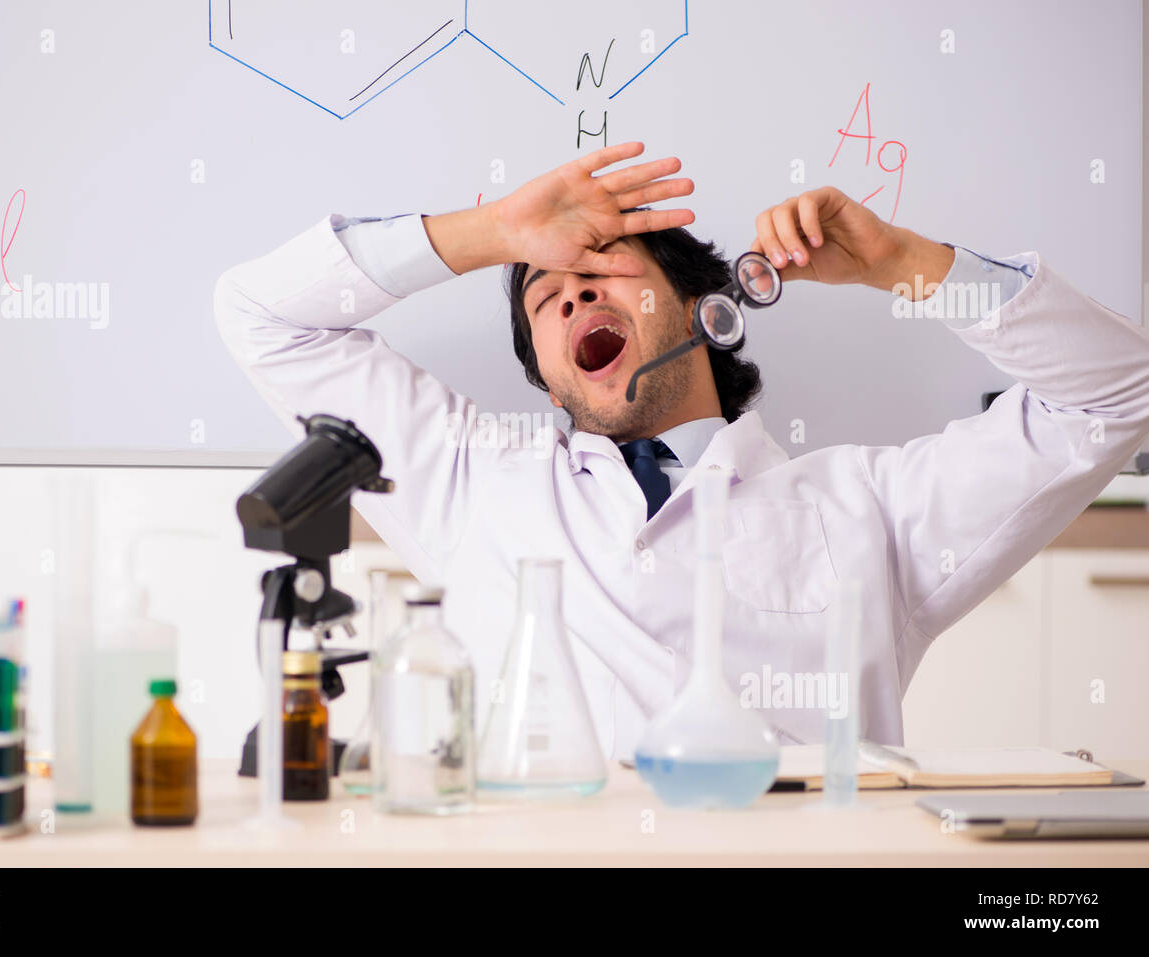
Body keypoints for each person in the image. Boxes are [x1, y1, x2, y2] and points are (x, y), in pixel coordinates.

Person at [215, 142, 1149, 759]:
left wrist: (901, 265)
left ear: (709, 308)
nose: (571, 295)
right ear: (545, 377)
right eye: (544, 298)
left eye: (600, 267)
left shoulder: (872, 505)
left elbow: (1119, 393)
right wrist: (493, 232)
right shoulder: (468, 477)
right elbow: (264, 317)